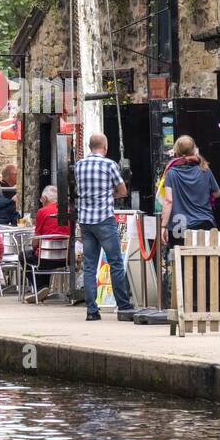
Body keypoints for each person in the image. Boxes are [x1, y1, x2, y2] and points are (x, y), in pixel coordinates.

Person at [75, 133, 133, 321]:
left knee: (90, 265)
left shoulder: (79, 165)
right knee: (115, 262)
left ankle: (92, 310)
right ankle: (123, 306)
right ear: (105, 147)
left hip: (85, 220)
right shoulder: (109, 165)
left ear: (89, 146)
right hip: (104, 219)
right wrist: (110, 196)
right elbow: (123, 190)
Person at [160, 135, 220, 245]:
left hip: (179, 225)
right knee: (205, 261)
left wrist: (163, 226)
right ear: (194, 149)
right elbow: (216, 193)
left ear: (176, 151)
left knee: (181, 261)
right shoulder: (205, 169)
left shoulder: (171, 173)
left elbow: (168, 201)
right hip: (204, 222)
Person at [24, 184, 70, 302]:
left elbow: (36, 239)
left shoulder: (42, 211)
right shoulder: (68, 211)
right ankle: (43, 289)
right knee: (41, 255)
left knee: (25, 256)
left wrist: (34, 245)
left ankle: (41, 287)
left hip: (45, 258)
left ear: (44, 198)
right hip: (66, 258)